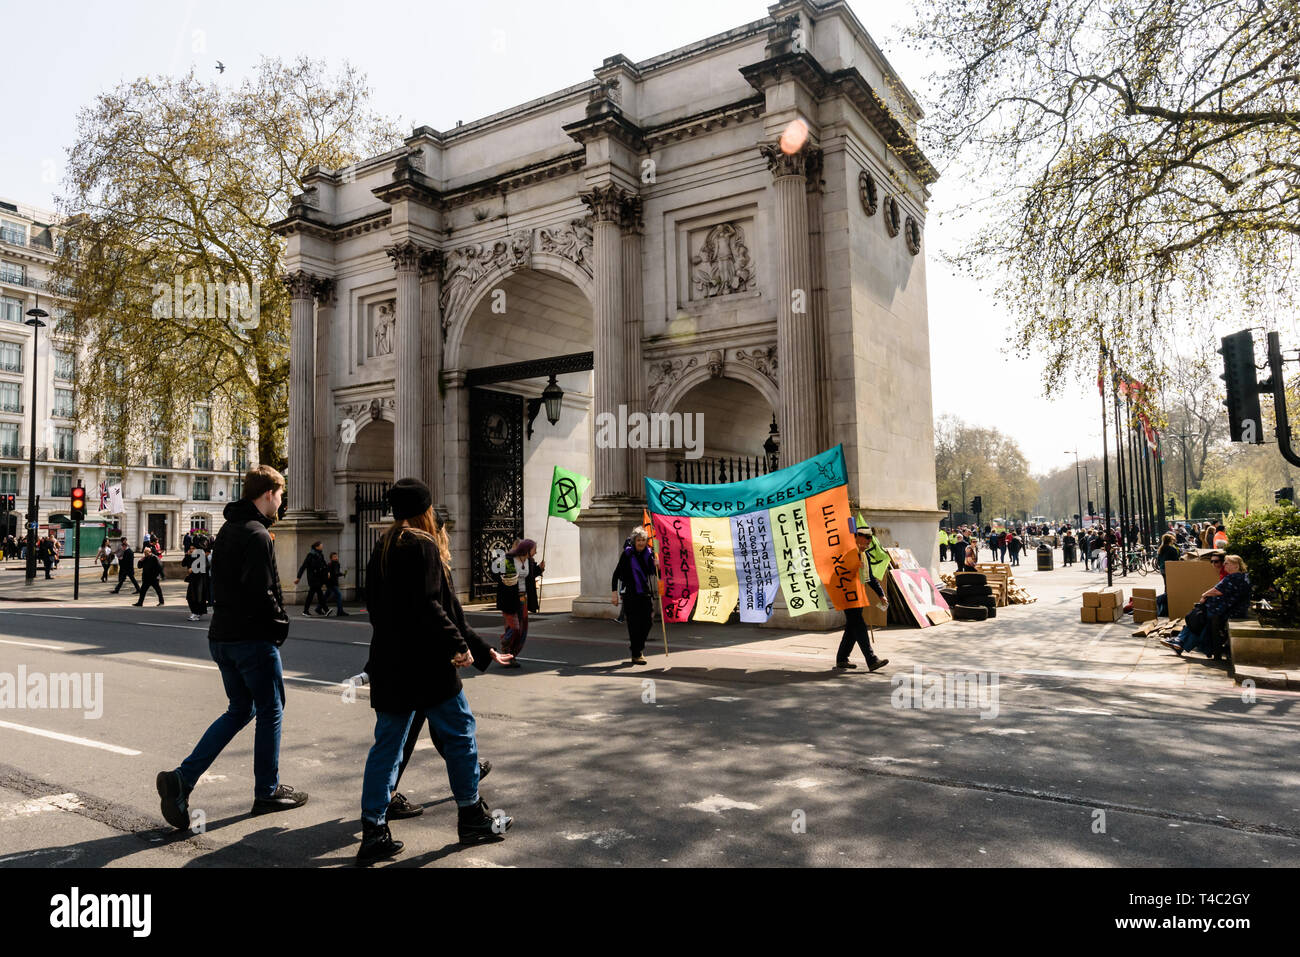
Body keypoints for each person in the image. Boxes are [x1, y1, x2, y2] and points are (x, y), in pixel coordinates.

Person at [355, 477, 513, 866]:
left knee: (387, 747)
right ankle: (471, 816)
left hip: (390, 663)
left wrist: (481, 649)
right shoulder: (423, 546)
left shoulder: (383, 547)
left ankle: (374, 830)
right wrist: (458, 647)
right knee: (460, 733)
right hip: (426, 665)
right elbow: (431, 606)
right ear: (425, 509)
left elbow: (387, 609)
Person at [155, 465, 305, 831]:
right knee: (271, 709)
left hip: (221, 635)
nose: (281, 501)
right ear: (268, 494)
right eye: (280, 495)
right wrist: (280, 625)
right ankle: (266, 791)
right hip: (251, 639)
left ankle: (183, 779)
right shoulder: (258, 534)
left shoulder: (227, 530)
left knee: (240, 709)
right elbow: (263, 592)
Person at [1162, 555, 1251, 657]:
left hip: (1229, 611)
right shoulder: (1244, 576)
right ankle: (1180, 642)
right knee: (1200, 618)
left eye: (1226, 563)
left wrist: (1204, 595)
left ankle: (1180, 642)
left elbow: (1217, 590)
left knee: (1198, 617)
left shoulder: (1233, 577)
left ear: (1236, 565)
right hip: (1234, 609)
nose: (1224, 565)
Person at [834, 526, 890, 672]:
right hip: (847, 595)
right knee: (859, 625)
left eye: (869, 542)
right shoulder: (846, 553)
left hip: (858, 596)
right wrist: (853, 568)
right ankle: (871, 660)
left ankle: (842, 659)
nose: (867, 545)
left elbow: (870, 578)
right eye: (865, 541)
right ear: (857, 537)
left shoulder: (865, 556)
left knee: (852, 628)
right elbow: (837, 574)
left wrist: (881, 595)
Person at [611, 528, 658, 665]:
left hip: (644, 593)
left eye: (643, 540)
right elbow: (616, 574)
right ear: (634, 541)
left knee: (648, 622)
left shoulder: (649, 554)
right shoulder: (627, 554)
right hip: (630, 594)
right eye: (638, 540)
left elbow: (655, 573)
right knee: (634, 625)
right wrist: (614, 594)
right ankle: (637, 654)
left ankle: (636, 649)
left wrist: (657, 565)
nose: (641, 543)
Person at [495, 538, 543, 667]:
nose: (536, 552)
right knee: (514, 628)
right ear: (527, 549)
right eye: (534, 549)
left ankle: (512, 656)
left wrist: (540, 569)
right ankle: (505, 642)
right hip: (510, 599)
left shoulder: (529, 561)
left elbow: (531, 575)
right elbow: (497, 572)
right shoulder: (509, 560)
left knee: (522, 630)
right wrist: (504, 576)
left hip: (523, 599)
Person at [294, 540, 329, 616]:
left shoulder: (320, 555)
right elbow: (303, 566)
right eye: (321, 545)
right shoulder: (310, 555)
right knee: (319, 594)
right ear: (316, 547)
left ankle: (307, 610)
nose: (322, 547)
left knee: (313, 594)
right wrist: (298, 577)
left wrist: (328, 572)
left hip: (318, 578)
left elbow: (324, 564)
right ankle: (325, 609)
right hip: (312, 578)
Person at [185, 544, 208, 621]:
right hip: (193, 580)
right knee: (190, 597)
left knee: (197, 597)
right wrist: (187, 555)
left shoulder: (202, 556)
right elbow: (183, 564)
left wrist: (193, 568)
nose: (191, 550)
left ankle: (196, 613)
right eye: (190, 548)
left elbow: (205, 567)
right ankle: (196, 612)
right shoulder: (191, 556)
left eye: (193, 548)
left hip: (199, 580)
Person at [323, 551, 348, 617]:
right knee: (339, 595)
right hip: (333, 583)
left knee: (326, 596)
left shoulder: (332, 564)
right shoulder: (334, 564)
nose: (336, 558)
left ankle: (318, 608)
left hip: (330, 583)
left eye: (336, 556)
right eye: (334, 557)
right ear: (331, 558)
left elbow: (333, 572)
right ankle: (340, 611)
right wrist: (342, 574)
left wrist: (341, 574)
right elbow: (336, 573)